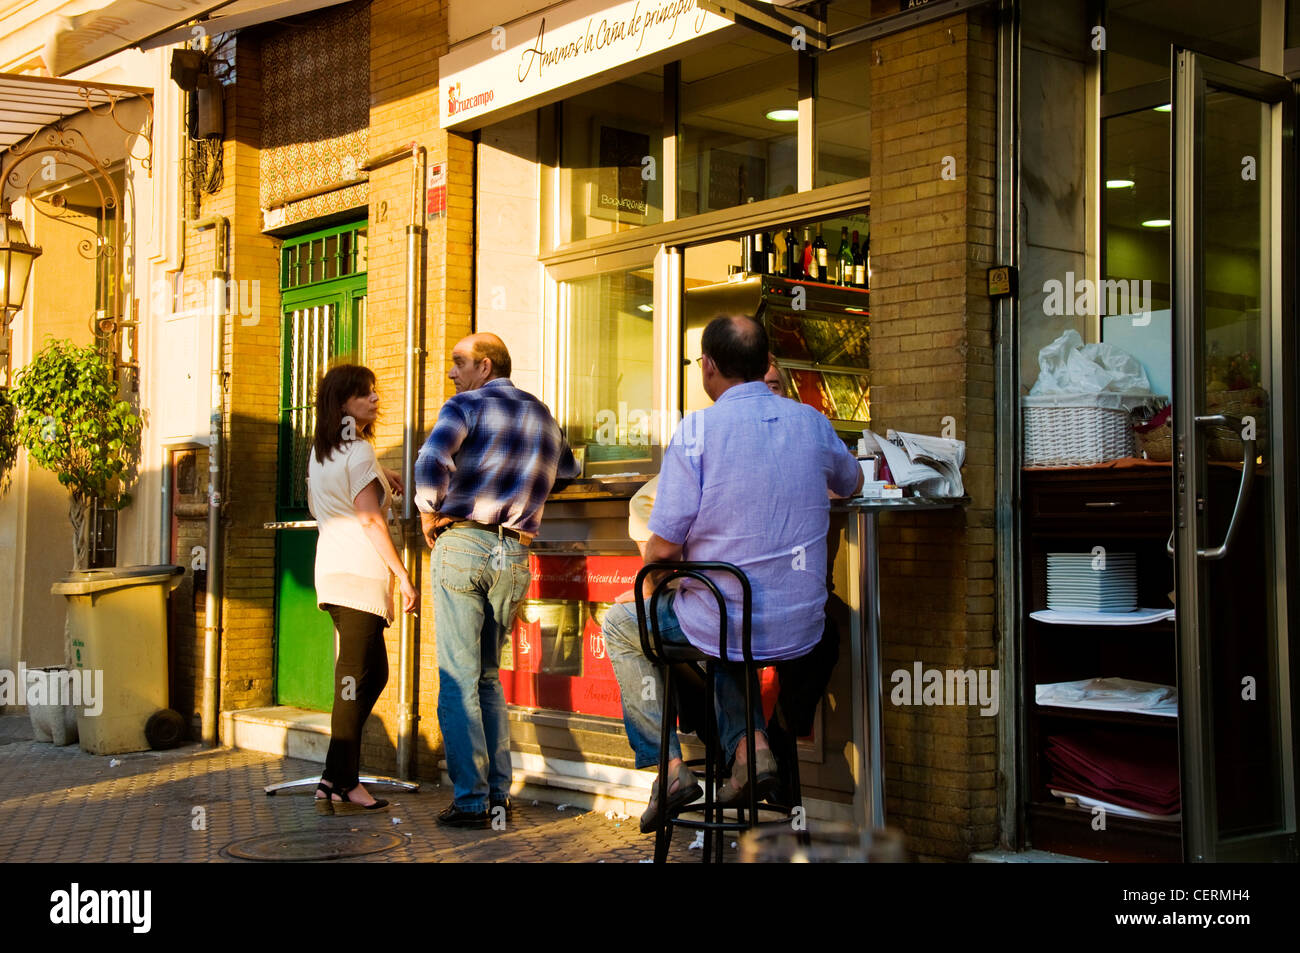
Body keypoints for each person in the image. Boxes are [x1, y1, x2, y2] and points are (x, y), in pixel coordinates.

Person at [602, 315, 863, 833]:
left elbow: (663, 545)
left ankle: (670, 770)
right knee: (726, 629)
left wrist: (651, 588)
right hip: (800, 624)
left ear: (708, 366)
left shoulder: (697, 430)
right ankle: (751, 751)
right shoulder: (812, 422)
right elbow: (852, 481)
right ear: (765, 362)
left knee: (623, 624)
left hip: (725, 618)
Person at [415, 332, 580, 829]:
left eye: (459, 362)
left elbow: (430, 462)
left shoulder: (464, 406)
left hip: (464, 541)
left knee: (458, 677)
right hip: (514, 554)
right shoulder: (542, 414)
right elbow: (569, 471)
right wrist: (524, 482)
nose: (452, 372)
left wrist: (428, 512)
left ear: (485, 366)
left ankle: (471, 801)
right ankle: (497, 798)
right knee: (488, 677)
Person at [307, 364, 418, 815]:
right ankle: (344, 783)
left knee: (373, 675)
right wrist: (403, 575)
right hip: (359, 577)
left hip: (332, 574)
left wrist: (380, 473)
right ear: (342, 405)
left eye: (374, 392)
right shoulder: (360, 452)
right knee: (351, 683)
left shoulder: (321, 453)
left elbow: (338, 491)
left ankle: (334, 777)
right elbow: (370, 519)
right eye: (363, 394)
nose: (374, 399)